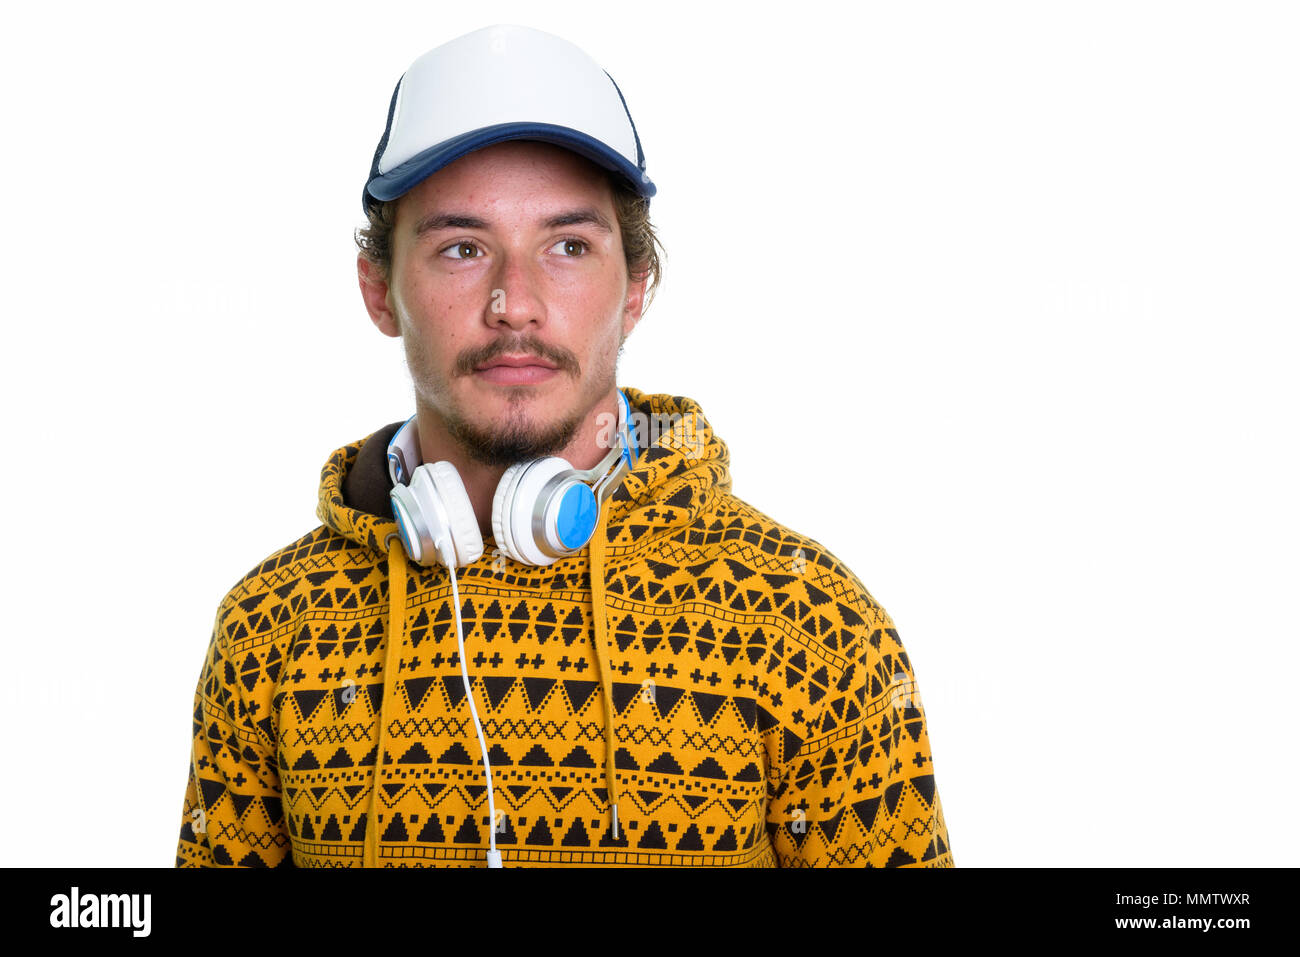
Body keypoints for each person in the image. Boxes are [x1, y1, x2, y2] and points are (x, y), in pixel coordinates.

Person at [174, 23, 953, 868]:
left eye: (569, 246)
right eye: (462, 248)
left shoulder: (811, 623)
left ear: (636, 289)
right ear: (379, 289)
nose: (516, 301)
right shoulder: (267, 630)